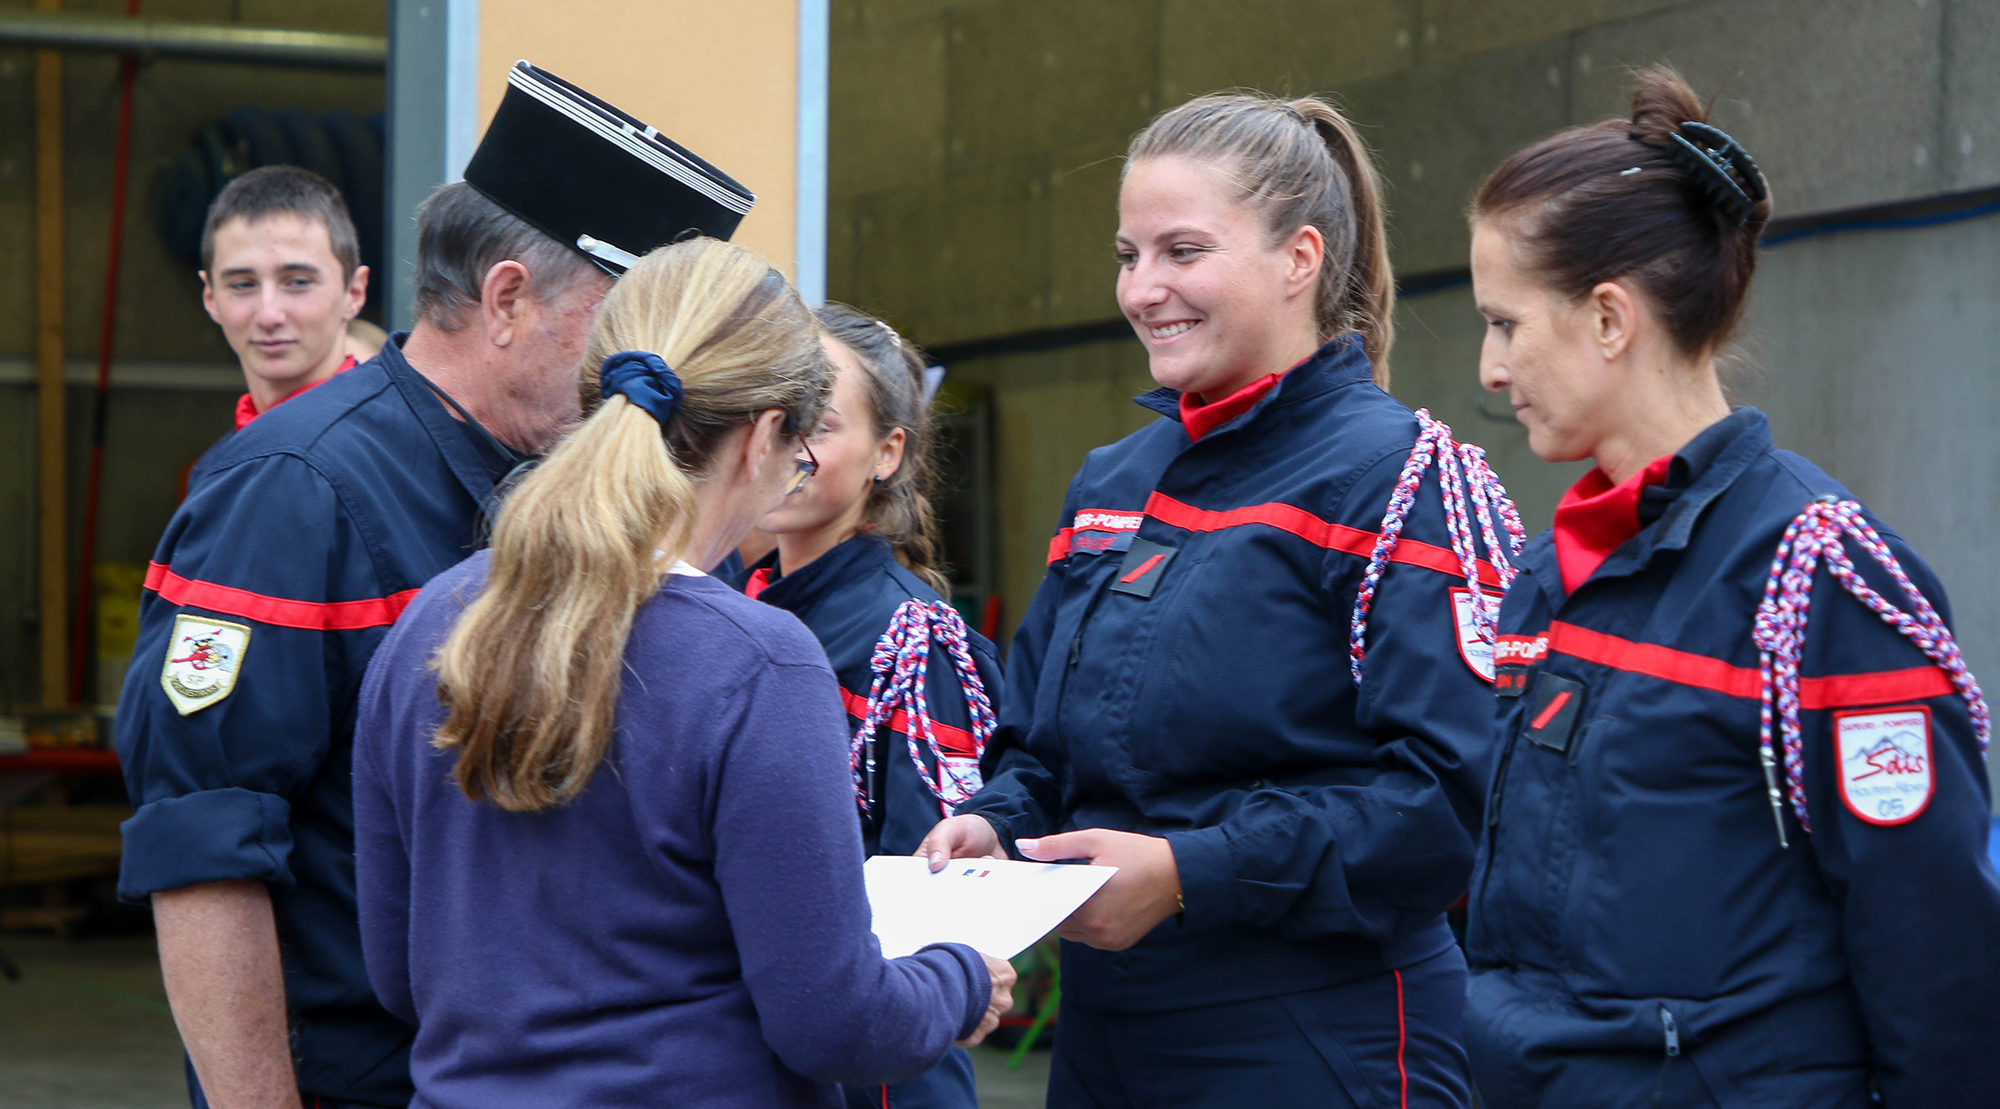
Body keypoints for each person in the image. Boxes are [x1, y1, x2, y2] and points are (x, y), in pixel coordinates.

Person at [115, 60, 755, 1109]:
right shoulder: (294, 489)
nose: (647, 367)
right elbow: (204, 847)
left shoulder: (591, 476)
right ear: (508, 298)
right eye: (621, 320)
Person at [919, 92, 1523, 1108]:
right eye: (1127, 254)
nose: (1142, 288)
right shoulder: (1113, 480)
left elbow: (1452, 802)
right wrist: (995, 823)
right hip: (1107, 1040)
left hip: (1316, 1035)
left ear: (1297, 259)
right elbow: (1043, 750)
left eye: (1181, 251)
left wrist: (1191, 869)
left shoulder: (1403, 479)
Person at [353, 238, 1013, 1109]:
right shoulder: (760, 662)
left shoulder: (433, 620)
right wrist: (959, 979)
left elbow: (402, 974)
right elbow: (832, 1021)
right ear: (769, 434)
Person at [1461, 66, 2000, 1108]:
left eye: (1504, 322)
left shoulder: (1817, 576)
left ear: (1608, 319)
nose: (1488, 367)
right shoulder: (1548, 572)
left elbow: (1932, 945)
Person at [742, 303, 1001, 1109]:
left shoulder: (914, 639)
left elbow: (930, 901)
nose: (789, 443)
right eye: (775, 413)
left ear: (888, 452)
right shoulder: (735, 606)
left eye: (817, 422)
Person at [199, 165, 368, 433]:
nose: (268, 316)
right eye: (243, 285)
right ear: (210, 298)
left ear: (354, 293)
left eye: (298, 282)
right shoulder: (218, 465)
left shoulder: (389, 450)